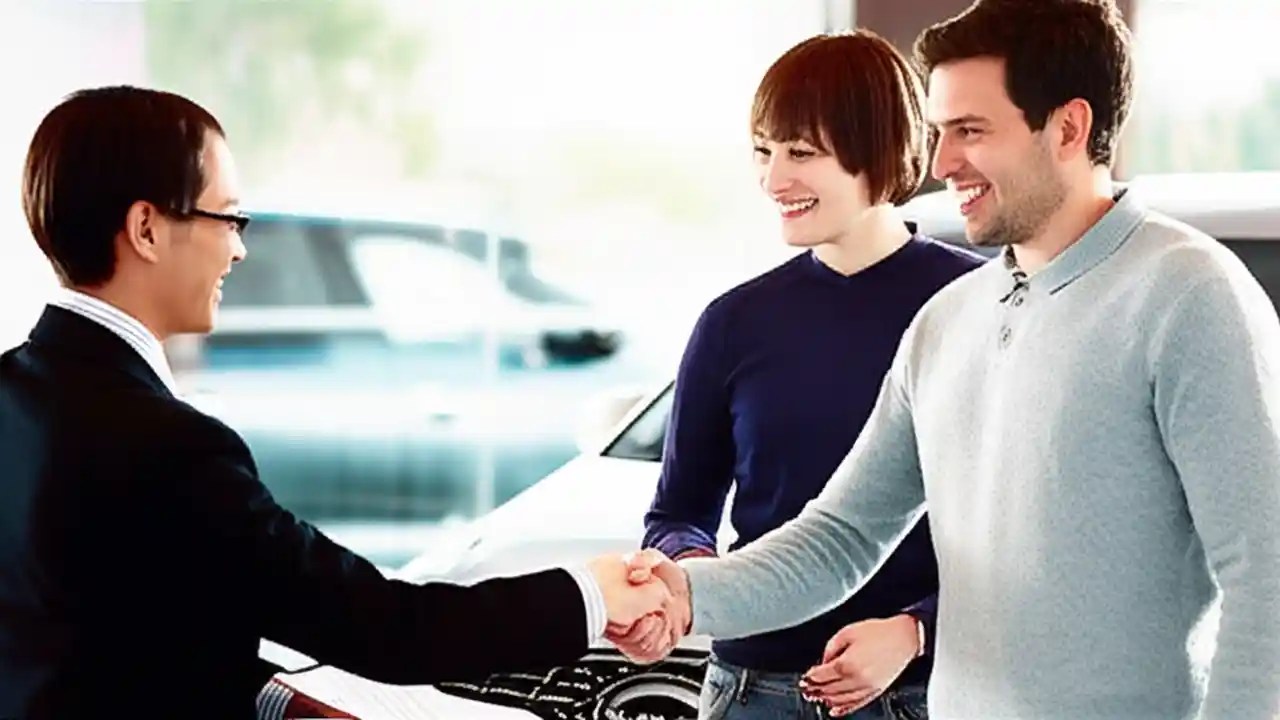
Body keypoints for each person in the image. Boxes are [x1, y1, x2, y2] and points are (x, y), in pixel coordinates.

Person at [616, 1, 1280, 718]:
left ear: (1068, 127)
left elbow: (1265, 577)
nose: (938, 163)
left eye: (970, 131)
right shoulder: (948, 320)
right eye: (939, 132)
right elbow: (842, 537)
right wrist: (686, 593)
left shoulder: (1188, 295)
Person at [0, 86, 668, 720]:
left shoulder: (16, 393)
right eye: (229, 217)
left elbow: (115, 630)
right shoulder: (167, 446)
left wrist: (271, 698)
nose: (237, 248)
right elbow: (382, 626)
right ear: (146, 228)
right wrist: (591, 593)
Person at [629, 30, 981, 720]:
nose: (772, 180)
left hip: (925, 692)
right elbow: (676, 512)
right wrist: (689, 571)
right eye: (764, 152)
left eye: (800, 154)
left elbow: (1030, 532)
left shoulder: (975, 307)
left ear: (876, 150)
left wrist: (917, 630)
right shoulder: (734, 321)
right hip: (751, 690)